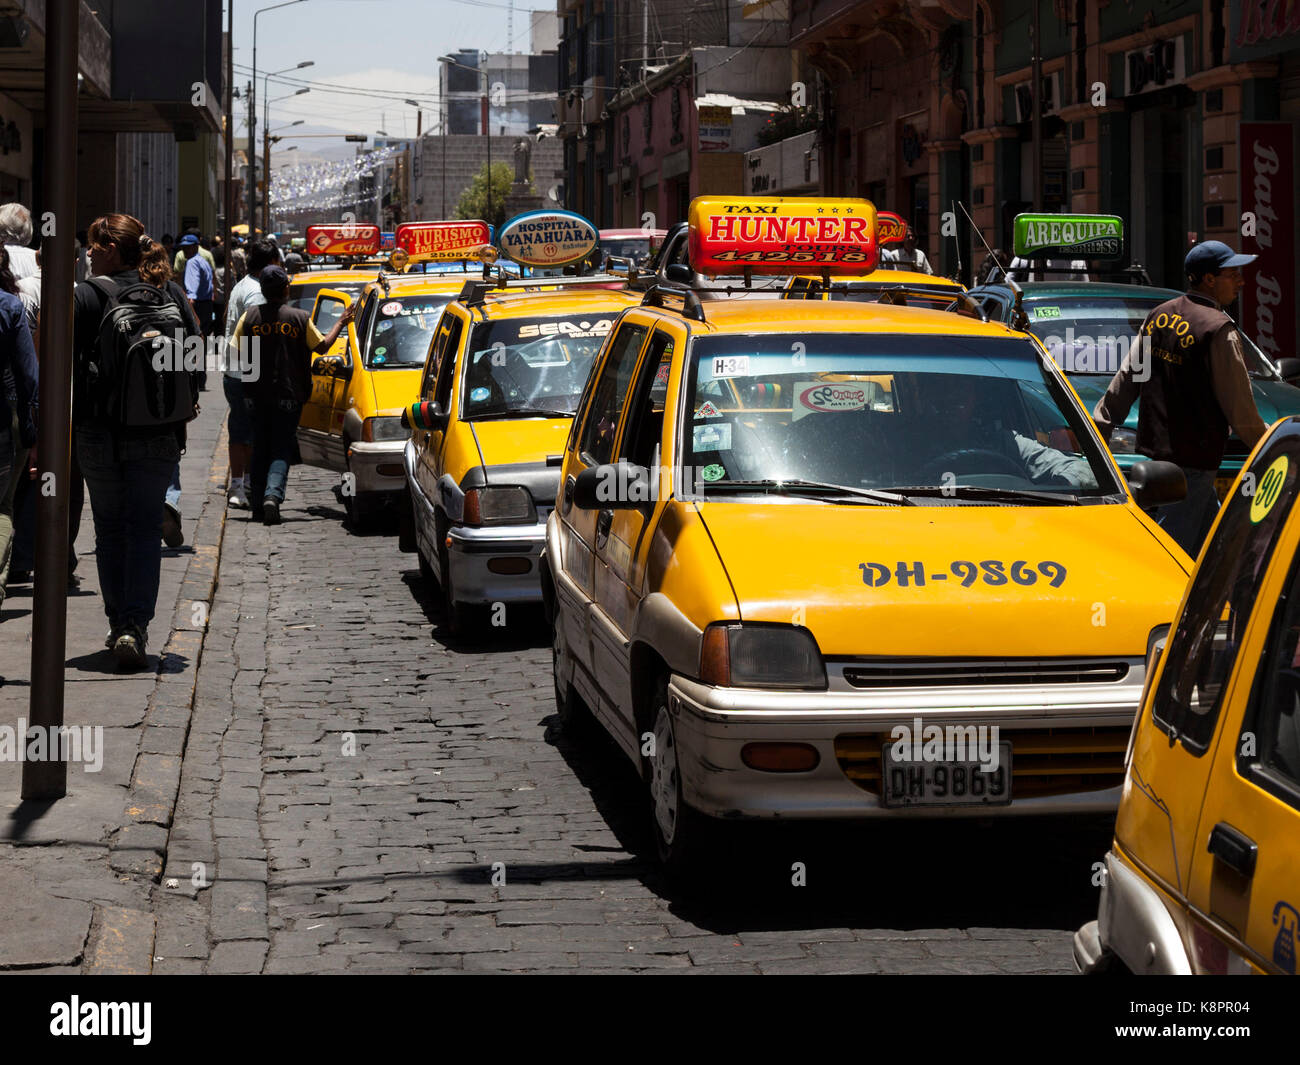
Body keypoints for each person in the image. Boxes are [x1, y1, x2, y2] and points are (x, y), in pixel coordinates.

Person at [1093, 239, 1267, 557]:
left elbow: (1129, 378)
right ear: (1208, 279)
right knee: (1169, 553)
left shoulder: (1160, 316)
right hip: (1195, 457)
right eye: (1233, 274)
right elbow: (1240, 410)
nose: (1241, 281)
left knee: (1217, 549)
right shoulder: (1218, 329)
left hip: (1161, 453)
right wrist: (1273, 449)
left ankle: (1221, 601)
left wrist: (1099, 425)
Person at [74, 213, 193, 669]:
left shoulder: (87, 296)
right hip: (158, 432)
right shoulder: (169, 294)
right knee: (144, 530)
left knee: (110, 529)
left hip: (99, 432)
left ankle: (118, 621)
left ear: (113, 249)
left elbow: (62, 364)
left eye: (96, 246)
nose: (89, 253)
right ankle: (135, 627)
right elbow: (195, 356)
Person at [229, 265, 352, 525]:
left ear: (262, 290)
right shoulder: (299, 317)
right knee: (281, 448)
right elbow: (323, 346)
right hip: (289, 394)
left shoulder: (249, 317)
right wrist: (341, 321)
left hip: (256, 395)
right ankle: (272, 496)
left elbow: (235, 352)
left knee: (260, 447)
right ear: (286, 289)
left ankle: (259, 506)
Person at [140, 241, 204, 550]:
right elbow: (195, 338)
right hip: (171, 387)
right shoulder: (173, 291)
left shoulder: (124, 290)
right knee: (169, 450)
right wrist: (191, 389)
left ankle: (142, 510)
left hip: (131, 389)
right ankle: (168, 502)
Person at [223, 238, 280, 508]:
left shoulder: (241, 286)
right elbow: (257, 336)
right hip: (248, 372)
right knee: (249, 432)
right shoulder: (257, 294)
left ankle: (243, 482)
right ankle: (240, 484)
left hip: (236, 369)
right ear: (270, 264)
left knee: (243, 429)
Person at [0, 246, 37, 615]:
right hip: (2, 421)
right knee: (2, 508)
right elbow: (29, 377)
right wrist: (31, 433)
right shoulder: (10, 306)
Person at [179, 234, 214, 390]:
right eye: (183, 247)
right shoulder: (203, 261)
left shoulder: (192, 263)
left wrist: (190, 308)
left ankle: (194, 380)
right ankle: (200, 379)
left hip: (197, 307)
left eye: (188, 247)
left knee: (192, 343)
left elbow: (192, 291)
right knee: (201, 344)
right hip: (206, 306)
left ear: (195, 246)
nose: (185, 250)